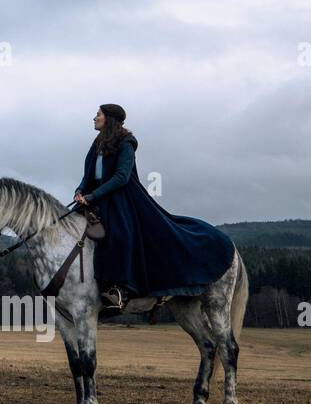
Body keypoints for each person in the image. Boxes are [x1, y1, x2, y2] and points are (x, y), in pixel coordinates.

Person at [73, 104, 235, 316]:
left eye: (98, 115)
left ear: (109, 119)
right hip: (94, 199)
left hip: (122, 199)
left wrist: (93, 196)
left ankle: (119, 290)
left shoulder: (126, 143)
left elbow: (121, 177)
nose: (94, 118)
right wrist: (80, 191)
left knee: (120, 235)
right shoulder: (97, 144)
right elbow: (88, 175)